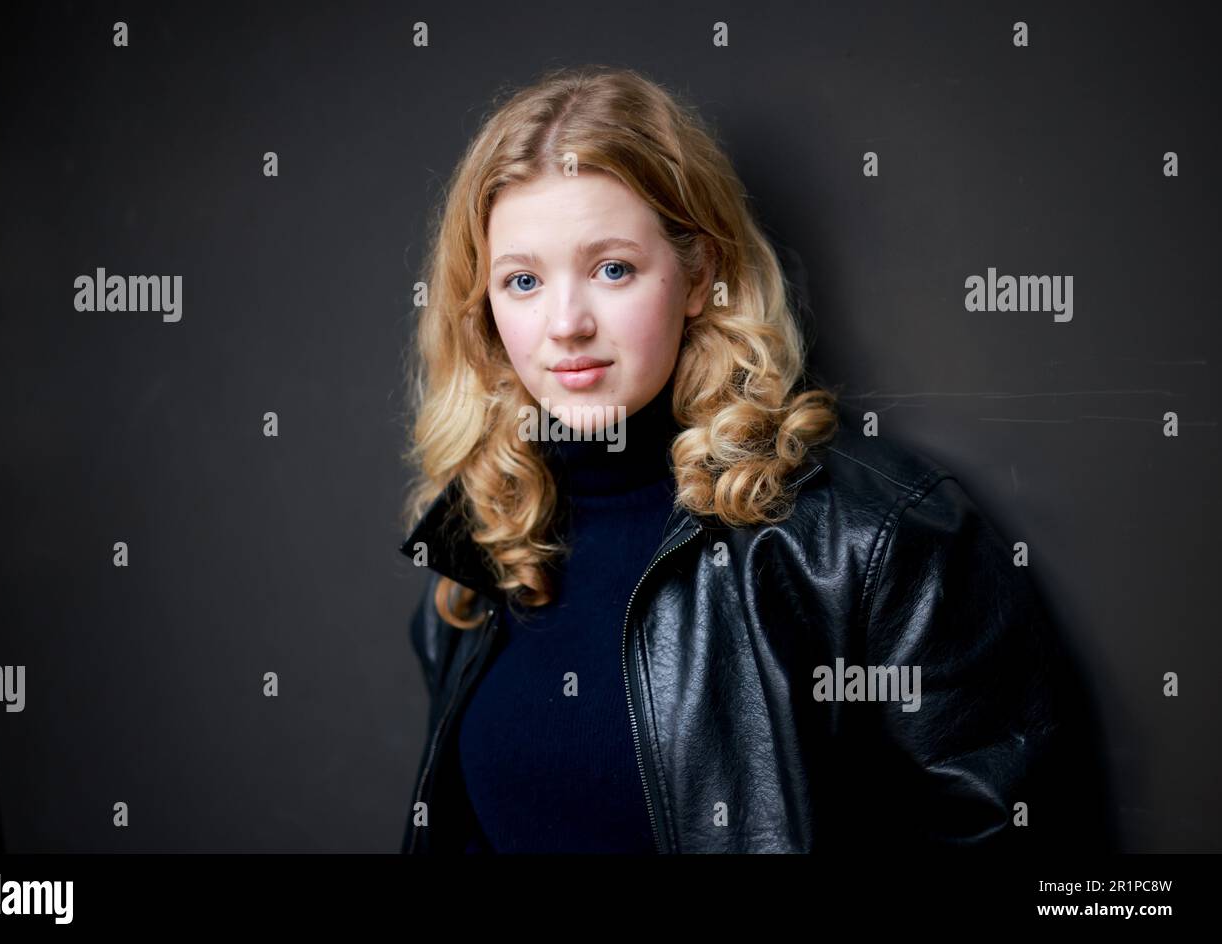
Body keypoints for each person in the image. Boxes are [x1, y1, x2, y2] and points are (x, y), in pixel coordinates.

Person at [395, 65, 1110, 853]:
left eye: (612, 270)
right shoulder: (487, 538)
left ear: (698, 275)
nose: (566, 323)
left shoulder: (873, 539)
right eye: (523, 280)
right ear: (487, 305)